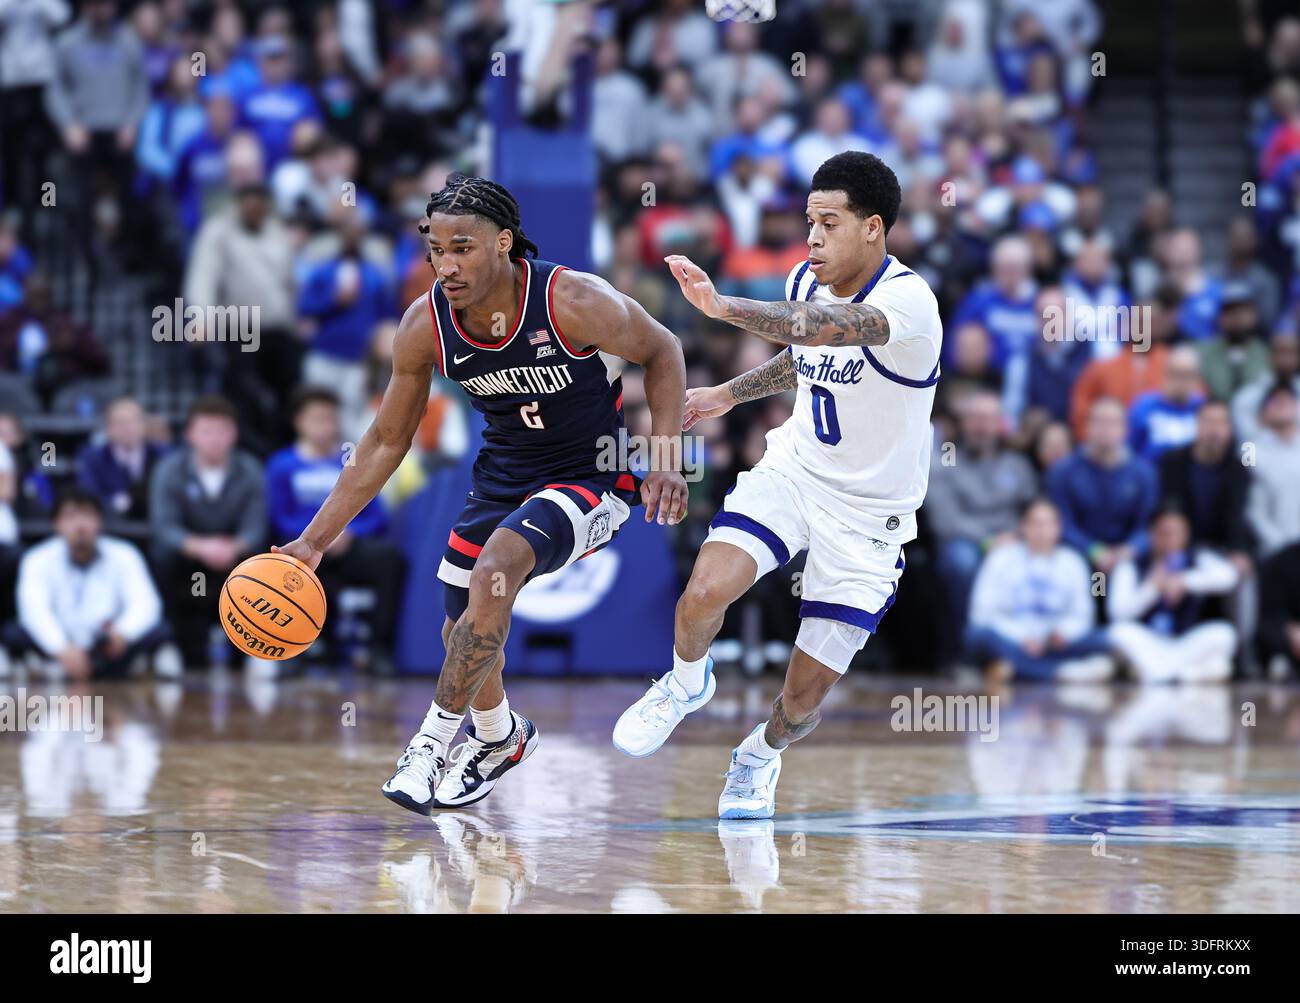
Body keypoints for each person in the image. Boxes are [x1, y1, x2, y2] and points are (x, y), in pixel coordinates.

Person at [273, 174, 687, 814]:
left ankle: (430, 742)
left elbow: (664, 349)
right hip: (502, 475)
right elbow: (386, 440)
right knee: (458, 624)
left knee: (495, 570)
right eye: (435, 249)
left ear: (503, 242)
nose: (446, 264)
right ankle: (499, 736)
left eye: (462, 247)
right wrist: (312, 541)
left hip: (592, 475)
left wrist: (666, 458)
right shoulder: (424, 324)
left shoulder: (572, 299)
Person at [612, 152, 941, 819]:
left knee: (800, 701)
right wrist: (730, 394)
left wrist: (720, 305)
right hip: (794, 471)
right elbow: (805, 354)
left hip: (869, 518)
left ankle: (761, 754)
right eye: (809, 221)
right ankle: (683, 683)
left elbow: (820, 329)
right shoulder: (805, 276)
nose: (812, 237)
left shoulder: (907, 300)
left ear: (873, 228)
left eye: (829, 222)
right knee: (704, 589)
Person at [264, 386, 404, 674]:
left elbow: (377, 515)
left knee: (389, 559)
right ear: (299, 422)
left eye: (329, 418)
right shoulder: (282, 464)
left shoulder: (350, 459)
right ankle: (299, 650)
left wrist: (349, 533)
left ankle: (379, 649)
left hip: (349, 545)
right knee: (295, 568)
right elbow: (278, 517)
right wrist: (315, 538)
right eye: (317, 419)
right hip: (303, 549)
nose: (325, 426)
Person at [148, 394, 266, 666]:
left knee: (264, 557)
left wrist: (233, 547)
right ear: (190, 434)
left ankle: (255, 648)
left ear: (234, 434)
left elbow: (255, 527)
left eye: (222, 431)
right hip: (188, 557)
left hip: (235, 555)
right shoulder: (169, 470)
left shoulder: (250, 470)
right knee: (161, 555)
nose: (214, 439)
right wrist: (202, 547)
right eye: (206, 431)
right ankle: (167, 645)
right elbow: (164, 526)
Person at [12, 488, 179, 680]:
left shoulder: (125, 554)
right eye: (70, 516)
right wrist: (61, 648)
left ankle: (142, 665)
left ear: (99, 521)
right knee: (14, 633)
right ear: (56, 524)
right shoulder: (36, 559)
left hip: (109, 645)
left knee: (161, 630)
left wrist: (123, 633)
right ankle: (44, 665)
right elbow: (34, 611)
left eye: (87, 516)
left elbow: (147, 604)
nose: (80, 525)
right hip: (60, 644)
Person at [964, 498, 1113, 682]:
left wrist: (1063, 633)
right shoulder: (1000, 557)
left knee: (1105, 638)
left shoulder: (1074, 561)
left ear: (1059, 527)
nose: (1042, 530)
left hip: (1055, 642)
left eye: (1048, 523)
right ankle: (1060, 673)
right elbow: (981, 613)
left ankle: (1014, 669)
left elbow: (1083, 614)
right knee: (977, 636)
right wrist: (1022, 638)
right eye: (1035, 523)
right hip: (1012, 638)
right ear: (1023, 526)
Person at [1108, 507, 1239, 683]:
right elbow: (1118, 613)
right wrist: (1152, 587)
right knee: (1119, 633)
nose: (1170, 539)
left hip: (1185, 642)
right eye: (1164, 533)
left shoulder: (1196, 557)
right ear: (1151, 534)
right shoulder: (1132, 565)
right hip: (1149, 643)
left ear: (1186, 534)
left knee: (1224, 633)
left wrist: (1184, 581)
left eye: (1176, 533)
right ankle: (1186, 675)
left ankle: (1165, 674)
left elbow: (1229, 576)